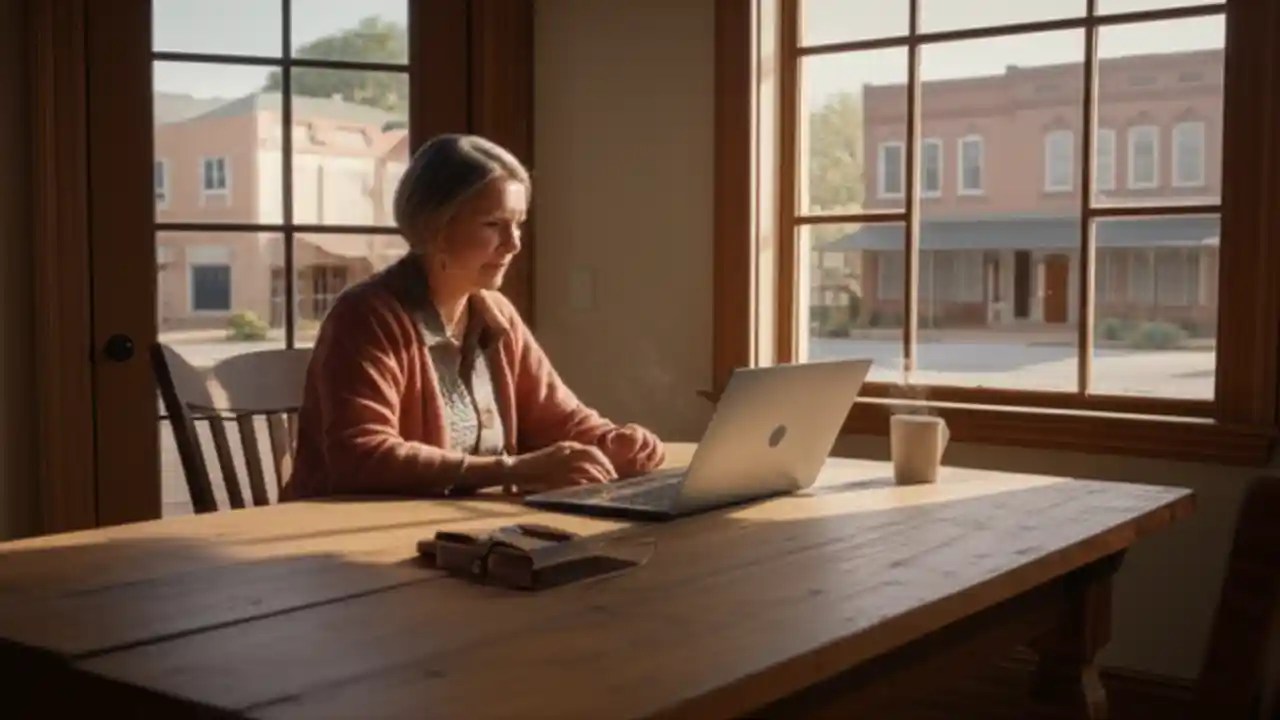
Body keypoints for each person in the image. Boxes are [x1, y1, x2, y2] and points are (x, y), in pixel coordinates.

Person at [282, 134, 664, 500]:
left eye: (519, 224)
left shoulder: (495, 313)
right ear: (436, 227)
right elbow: (359, 456)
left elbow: (558, 418)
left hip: (464, 532)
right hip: (343, 543)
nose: (514, 244)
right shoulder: (367, 317)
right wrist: (512, 470)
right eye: (493, 225)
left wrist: (612, 441)